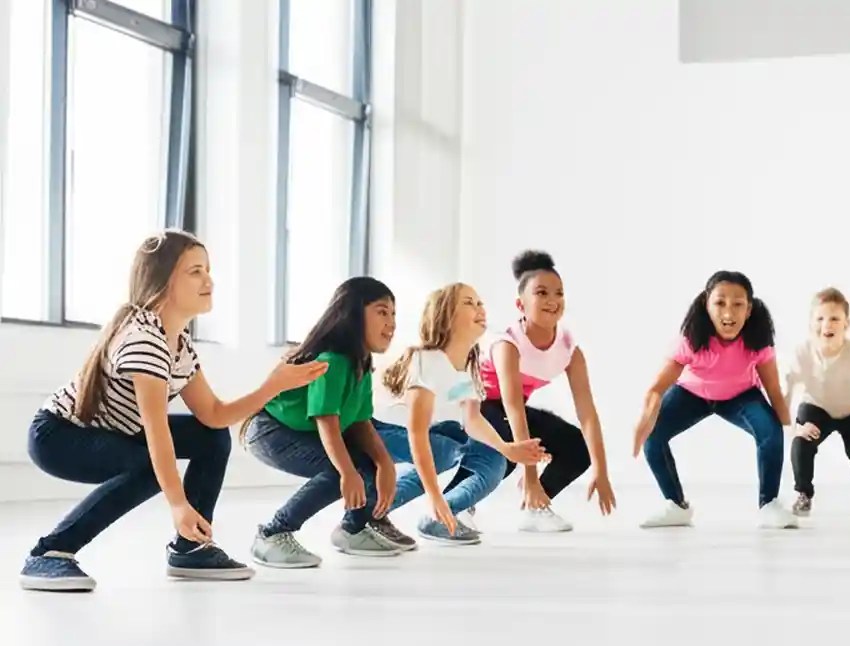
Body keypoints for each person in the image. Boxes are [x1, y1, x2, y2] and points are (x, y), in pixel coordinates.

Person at [19, 230, 325, 592]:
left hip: (113, 432)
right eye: (195, 271)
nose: (209, 280)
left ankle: (191, 548)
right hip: (59, 437)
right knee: (150, 466)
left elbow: (213, 414)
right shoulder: (143, 338)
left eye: (208, 269)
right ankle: (50, 552)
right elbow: (155, 431)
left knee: (210, 437)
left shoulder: (177, 343)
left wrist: (273, 385)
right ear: (162, 281)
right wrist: (178, 505)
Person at [243, 277, 403, 568]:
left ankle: (352, 530)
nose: (391, 322)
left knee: (363, 464)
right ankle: (272, 533)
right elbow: (326, 421)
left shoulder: (361, 363)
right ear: (354, 314)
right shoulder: (333, 360)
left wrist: (384, 463)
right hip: (269, 432)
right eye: (382, 312)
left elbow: (360, 422)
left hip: (296, 431)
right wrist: (347, 472)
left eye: (393, 314)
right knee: (344, 470)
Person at [374, 282, 549, 546]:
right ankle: (371, 512)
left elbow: (471, 420)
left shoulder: (467, 366)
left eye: (480, 302)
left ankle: (442, 518)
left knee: (492, 459)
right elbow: (417, 432)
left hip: (428, 435)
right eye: (469, 303)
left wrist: (508, 449)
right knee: (445, 449)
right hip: (376, 431)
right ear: (445, 316)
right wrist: (434, 495)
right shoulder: (428, 361)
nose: (480, 308)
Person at [452, 250, 615, 533]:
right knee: (509, 448)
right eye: (541, 293)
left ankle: (536, 506)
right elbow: (512, 406)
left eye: (559, 293)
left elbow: (587, 412)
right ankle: (456, 504)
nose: (552, 300)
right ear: (521, 304)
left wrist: (601, 470)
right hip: (475, 408)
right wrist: (529, 474)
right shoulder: (508, 344)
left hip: (506, 411)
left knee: (577, 447)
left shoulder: (569, 350)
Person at [633, 270, 797, 530]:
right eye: (720, 303)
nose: (728, 314)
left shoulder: (758, 341)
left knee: (770, 430)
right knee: (653, 436)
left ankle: (769, 504)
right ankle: (676, 506)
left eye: (738, 304)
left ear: (749, 308)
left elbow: (773, 388)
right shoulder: (691, 338)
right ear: (706, 304)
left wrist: (789, 427)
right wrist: (646, 418)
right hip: (692, 395)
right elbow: (657, 388)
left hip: (740, 396)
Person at [784, 287, 850, 517]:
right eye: (820, 318)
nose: (827, 325)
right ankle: (804, 494)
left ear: (846, 324)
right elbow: (786, 394)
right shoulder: (803, 352)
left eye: (834, 319)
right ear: (810, 323)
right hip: (817, 407)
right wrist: (796, 428)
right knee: (801, 443)